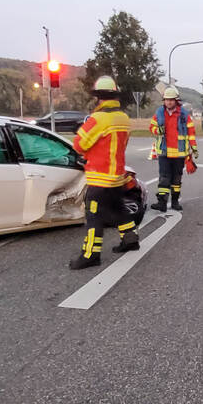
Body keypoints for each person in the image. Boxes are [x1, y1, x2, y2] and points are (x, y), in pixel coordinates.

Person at [69, 75, 138, 270]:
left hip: (99, 178)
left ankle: (91, 254)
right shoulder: (124, 118)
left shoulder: (97, 119)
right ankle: (130, 239)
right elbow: (121, 145)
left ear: (98, 97)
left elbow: (79, 145)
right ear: (115, 96)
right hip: (117, 176)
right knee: (118, 208)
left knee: (93, 216)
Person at [149, 86, 197, 211]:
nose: (169, 102)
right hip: (164, 152)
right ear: (164, 101)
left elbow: (191, 132)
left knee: (176, 179)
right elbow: (151, 128)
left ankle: (175, 202)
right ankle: (162, 203)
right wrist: (157, 130)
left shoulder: (184, 115)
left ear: (176, 100)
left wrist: (194, 148)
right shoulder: (159, 113)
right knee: (164, 178)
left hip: (179, 154)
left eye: (171, 100)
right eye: (166, 100)